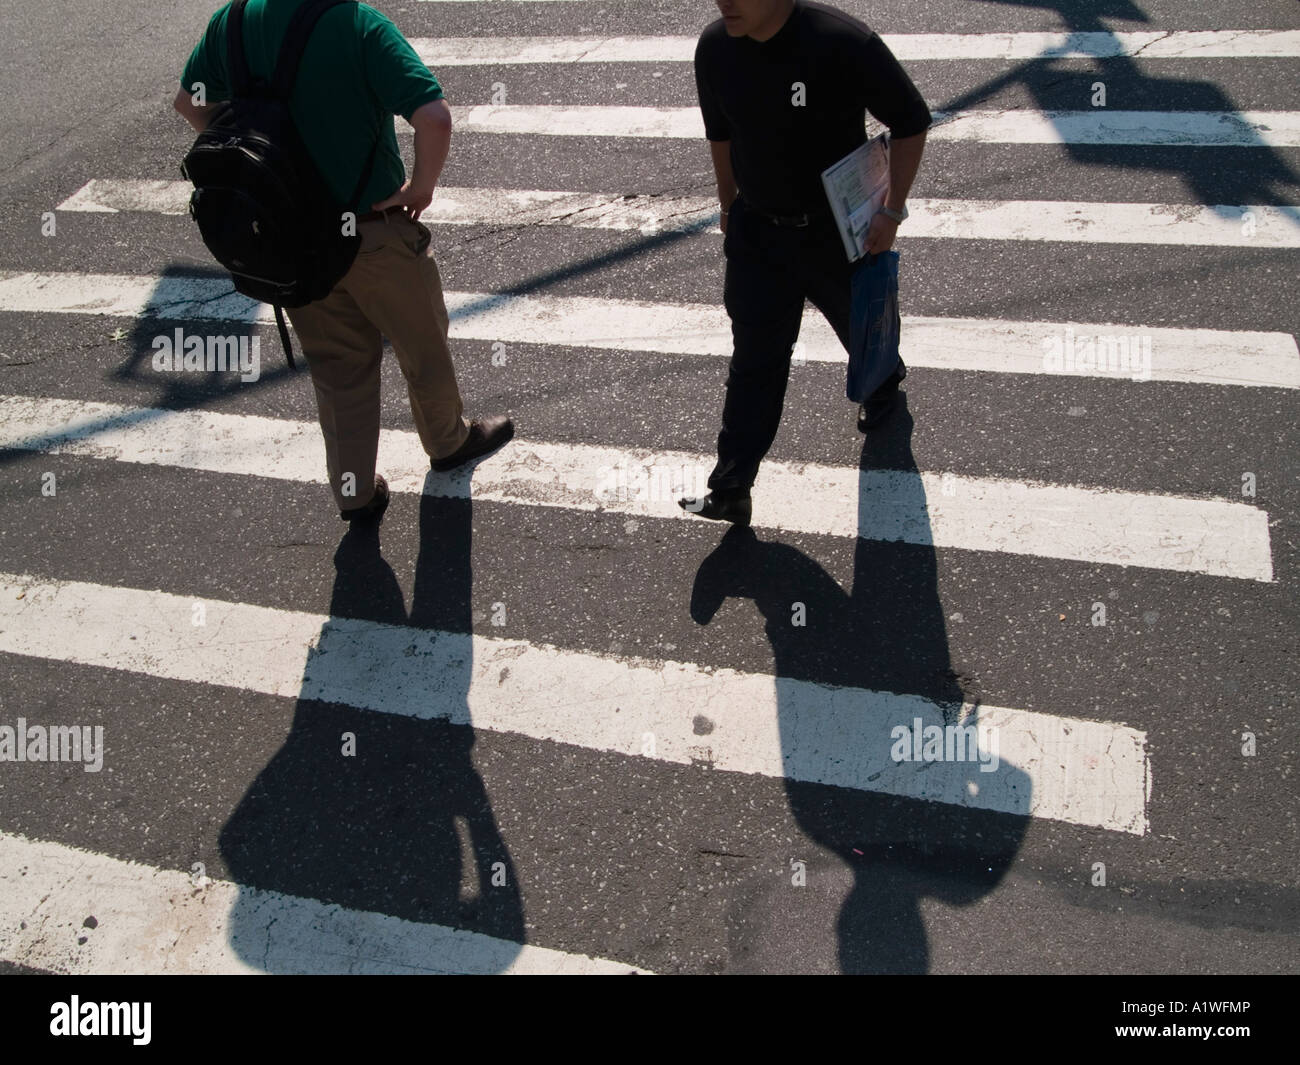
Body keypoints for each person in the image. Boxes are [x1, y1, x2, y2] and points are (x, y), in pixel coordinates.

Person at [175, 0, 513, 522]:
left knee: (339, 370)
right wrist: (419, 188)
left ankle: (354, 492)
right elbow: (434, 118)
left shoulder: (235, 21)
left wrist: (263, 151)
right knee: (421, 343)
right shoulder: (356, 23)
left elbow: (189, 102)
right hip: (374, 230)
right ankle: (447, 442)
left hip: (292, 241)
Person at [680, 0, 930, 525]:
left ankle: (883, 382)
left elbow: (911, 120)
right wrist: (728, 206)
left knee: (858, 321)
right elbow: (720, 134)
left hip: (836, 231)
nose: (724, 1)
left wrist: (892, 210)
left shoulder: (841, 41)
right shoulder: (715, 47)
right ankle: (732, 485)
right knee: (754, 360)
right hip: (759, 232)